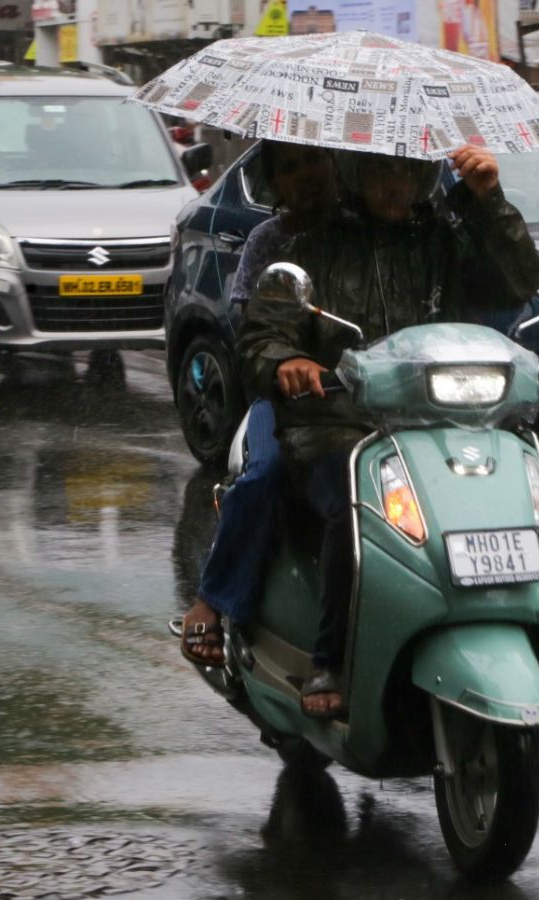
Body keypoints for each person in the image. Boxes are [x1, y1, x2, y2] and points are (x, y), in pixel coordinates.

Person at [235, 145, 539, 718]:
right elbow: (262, 331)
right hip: (339, 423)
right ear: (353, 172)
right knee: (355, 508)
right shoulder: (312, 247)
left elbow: (520, 279)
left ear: (427, 174)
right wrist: (285, 361)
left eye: (408, 169)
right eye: (381, 168)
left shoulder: (447, 240)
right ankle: (332, 657)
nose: (395, 182)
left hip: (443, 419)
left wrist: (488, 199)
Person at [180, 141, 340, 666]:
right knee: (267, 473)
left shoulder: (362, 232)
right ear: (275, 184)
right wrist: (287, 363)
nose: (307, 175)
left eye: (315, 160)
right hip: (287, 399)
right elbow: (257, 331)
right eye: (291, 168)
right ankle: (214, 598)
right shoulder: (267, 242)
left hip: (368, 394)